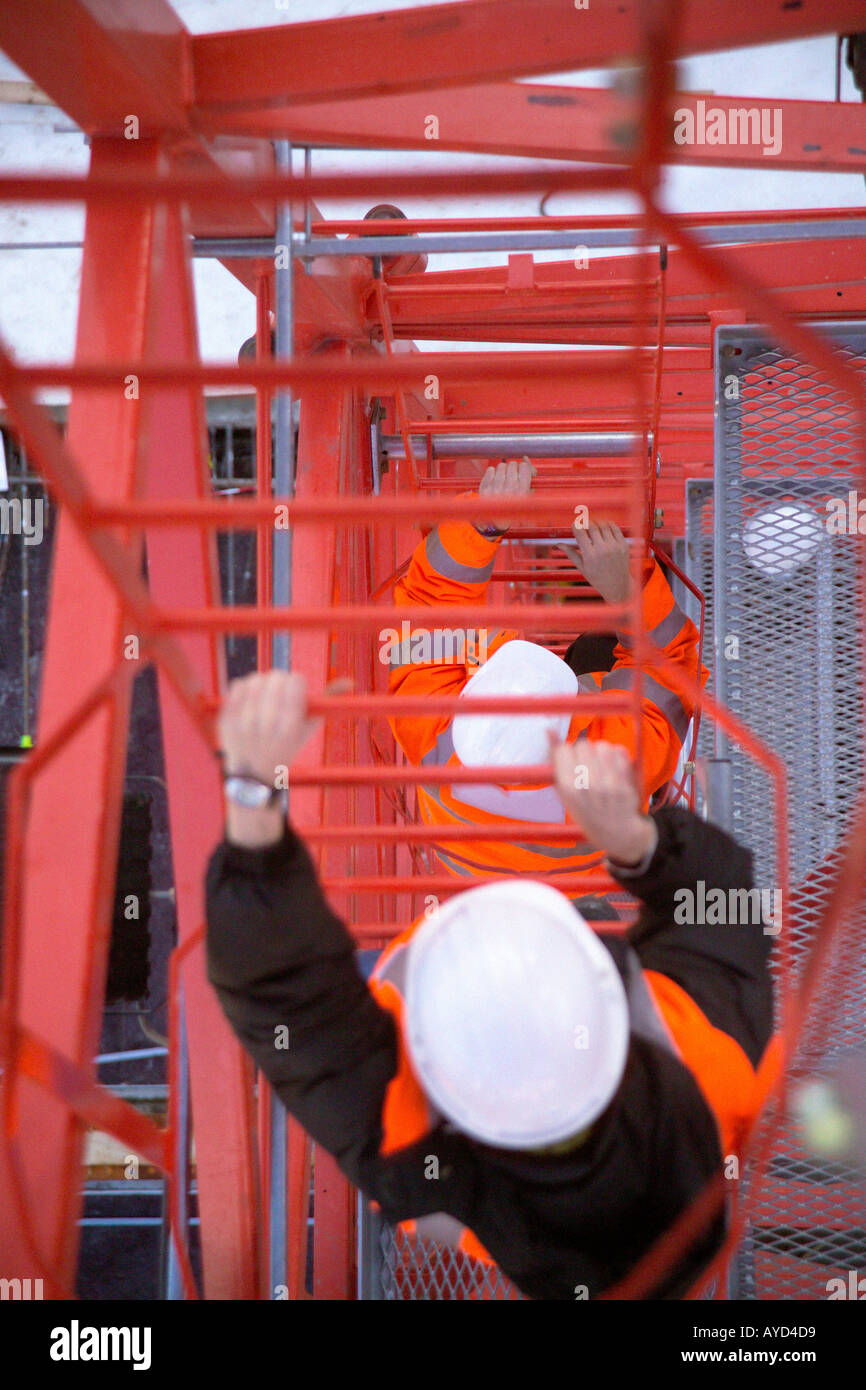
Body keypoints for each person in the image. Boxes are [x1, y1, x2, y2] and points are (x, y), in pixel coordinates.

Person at [205, 671, 779, 1300]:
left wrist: (639, 844)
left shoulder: (719, 1066)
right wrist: (250, 789)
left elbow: (720, 905)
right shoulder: (405, 1139)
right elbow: (276, 991)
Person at [386, 459, 706, 895]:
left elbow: (429, 605)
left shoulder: (435, 730)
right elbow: (671, 668)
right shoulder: (426, 732)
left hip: (544, 893)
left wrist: (481, 523)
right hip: (495, 884)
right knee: (608, 661)